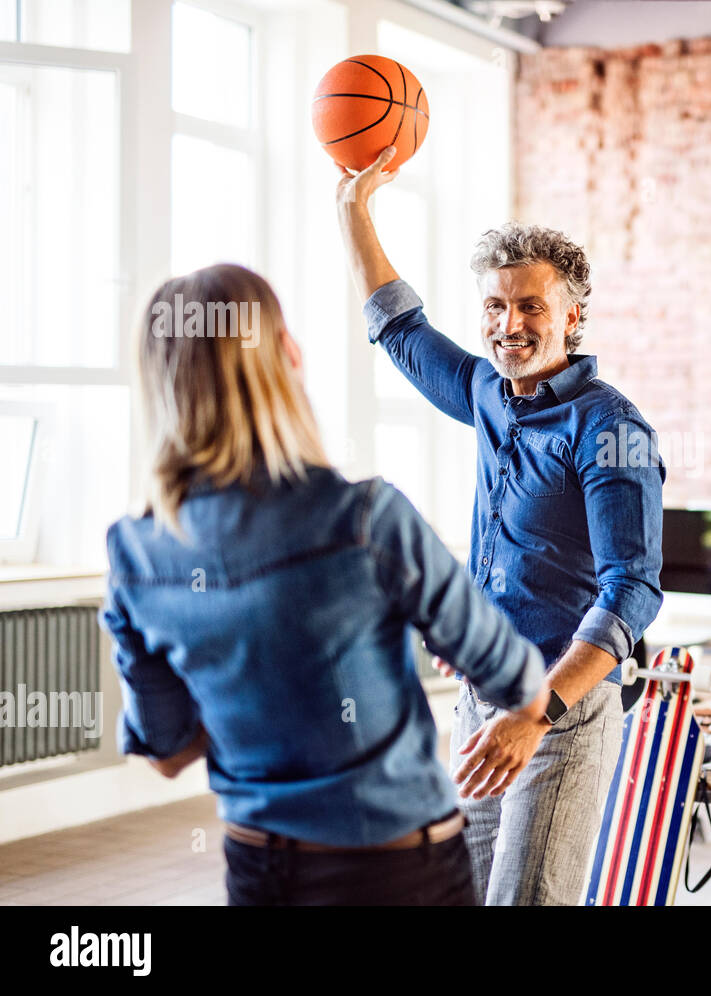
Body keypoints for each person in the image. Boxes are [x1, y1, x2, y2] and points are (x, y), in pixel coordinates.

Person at [101, 264, 548, 906]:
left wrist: (251, 680)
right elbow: (521, 686)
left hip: (260, 869)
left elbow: (167, 752)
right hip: (400, 872)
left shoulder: (134, 552)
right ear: (287, 355)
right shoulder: (365, 519)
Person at [335, 148, 665, 905]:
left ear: (572, 318)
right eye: (495, 305)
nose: (509, 324)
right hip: (484, 695)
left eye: (531, 307)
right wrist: (353, 211)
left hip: (560, 709)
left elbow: (633, 590)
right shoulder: (487, 391)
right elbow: (399, 327)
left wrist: (536, 710)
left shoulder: (610, 427)